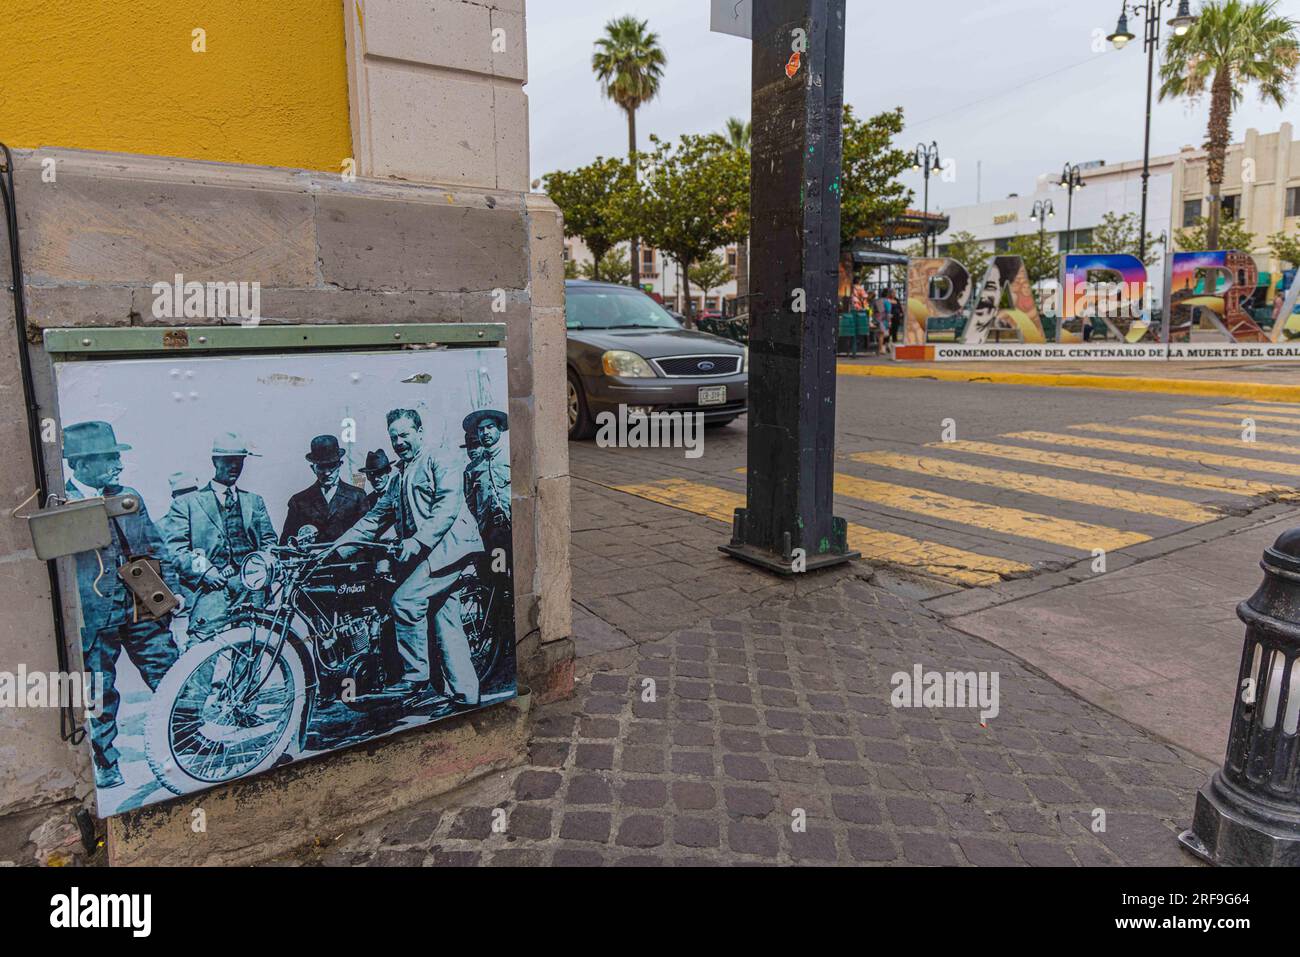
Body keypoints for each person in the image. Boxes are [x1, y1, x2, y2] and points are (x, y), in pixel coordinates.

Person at [337, 409, 483, 707]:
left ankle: (416, 677)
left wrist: (417, 541)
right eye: (394, 438)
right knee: (446, 623)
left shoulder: (438, 458)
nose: (399, 442)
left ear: (419, 432)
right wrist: (338, 547)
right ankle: (467, 696)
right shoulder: (400, 475)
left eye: (404, 435)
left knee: (404, 601)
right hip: (434, 554)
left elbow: (446, 506)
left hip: (451, 548)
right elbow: (375, 519)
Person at [62, 421, 180, 790]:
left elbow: (154, 548)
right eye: (108, 457)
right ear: (80, 465)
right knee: (99, 691)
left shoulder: (129, 496)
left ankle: (184, 741)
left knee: (170, 674)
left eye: (117, 456)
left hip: (142, 599)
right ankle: (106, 761)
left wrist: (171, 593)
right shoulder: (61, 506)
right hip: (94, 613)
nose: (117, 463)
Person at [162, 432, 277, 636]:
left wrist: (260, 570)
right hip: (210, 589)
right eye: (228, 460)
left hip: (251, 588)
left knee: (252, 647)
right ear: (215, 461)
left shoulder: (254, 501)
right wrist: (205, 571)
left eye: (239, 461)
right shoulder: (188, 503)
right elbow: (176, 549)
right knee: (200, 646)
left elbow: (269, 542)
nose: (234, 466)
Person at [281, 435, 368, 545]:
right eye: (321, 467)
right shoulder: (298, 501)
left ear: (340, 465)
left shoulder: (357, 496)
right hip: (311, 561)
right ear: (313, 468)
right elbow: (286, 543)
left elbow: (365, 537)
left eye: (331, 466)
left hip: (349, 561)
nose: (327, 473)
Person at [462, 409, 511, 575]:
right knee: (499, 577)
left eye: (490, 427)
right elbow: (471, 504)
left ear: (499, 429)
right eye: (481, 429)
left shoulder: (512, 457)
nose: (485, 432)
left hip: (515, 526)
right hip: (492, 534)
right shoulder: (472, 469)